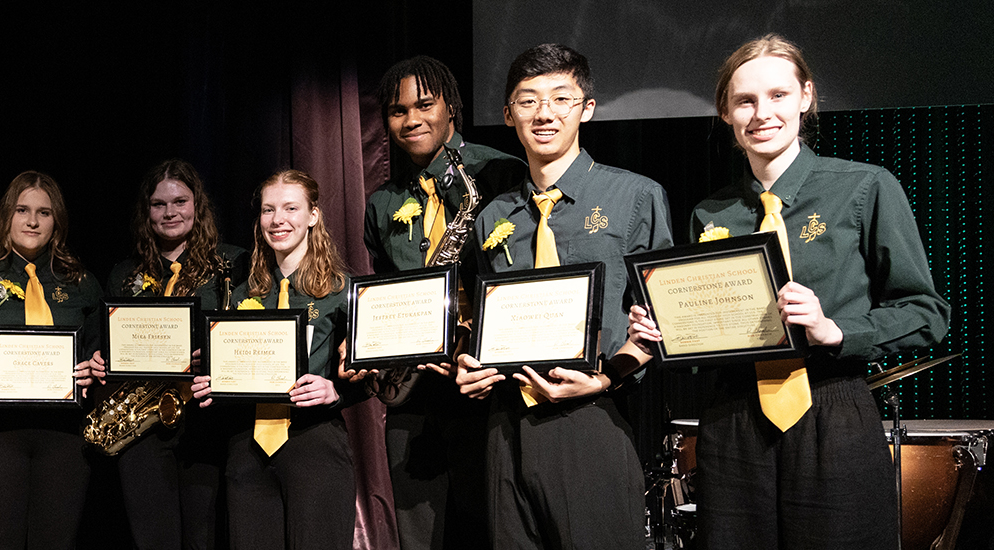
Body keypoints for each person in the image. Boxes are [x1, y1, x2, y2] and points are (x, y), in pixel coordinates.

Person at [625, 34, 948, 549]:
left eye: (777, 95)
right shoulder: (712, 212)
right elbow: (702, 330)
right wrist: (663, 332)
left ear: (806, 97)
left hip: (832, 409)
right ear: (726, 114)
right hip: (732, 421)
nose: (761, 113)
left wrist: (836, 329)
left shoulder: (865, 187)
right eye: (745, 101)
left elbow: (927, 314)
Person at [450, 44, 671, 549]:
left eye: (560, 98)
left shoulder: (636, 197)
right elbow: (482, 320)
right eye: (527, 101)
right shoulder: (491, 217)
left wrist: (602, 378)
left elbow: (662, 323)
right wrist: (469, 364)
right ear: (508, 115)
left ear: (586, 108)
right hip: (506, 423)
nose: (544, 113)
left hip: (593, 415)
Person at [361, 55, 527, 550]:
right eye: (397, 110)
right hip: (414, 392)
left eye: (424, 105)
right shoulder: (381, 201)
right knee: (418, 536)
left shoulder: (499, 172)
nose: (411, 120)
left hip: (484, 385)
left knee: (487, 529)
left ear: (451, 106)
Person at [189, 169, 358, 549]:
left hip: (314, 441)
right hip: (247, 447)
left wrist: (336, 390)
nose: (278, 220)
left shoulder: (342, 292)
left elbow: (367, 374)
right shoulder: (237, 293)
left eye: (290, 208)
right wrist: (212, 382)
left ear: (313, 215)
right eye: (268, 210)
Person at [83, 159, 245, 550]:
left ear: (197, 205)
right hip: (143, 426)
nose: (170, 212)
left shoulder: (233, 264)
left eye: (180, 201)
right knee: (153, 539)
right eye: (158, 204)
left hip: (208, 423)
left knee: (204, 539)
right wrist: (98, 357)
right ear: (146, 211)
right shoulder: (123, 273)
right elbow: (101, 338)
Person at [0, 171, 104, 550]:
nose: (32, 221)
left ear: (58, 222)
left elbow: (100, 353)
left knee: (56, 541)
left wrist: (94, 368)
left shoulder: (83, 283)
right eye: (22, 210)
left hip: (64, 433)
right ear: (7, 216)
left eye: (44, 212)